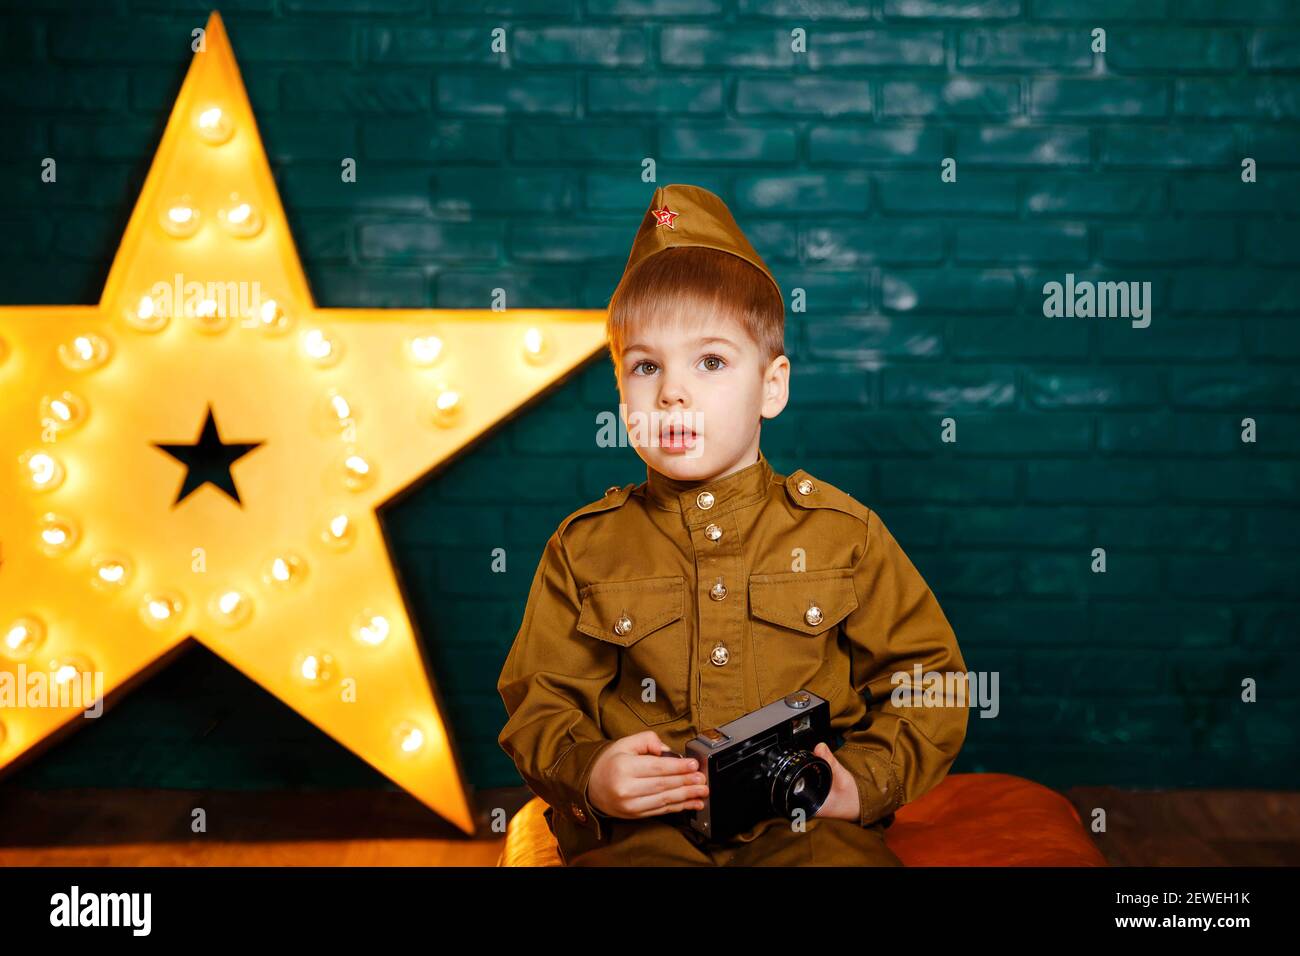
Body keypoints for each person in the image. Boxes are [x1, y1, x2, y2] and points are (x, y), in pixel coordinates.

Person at [496, 184, 969, 866]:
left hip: (802, 823)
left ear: (771, 386)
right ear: (622, 391)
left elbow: (931, 680)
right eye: (645, 366)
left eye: (711, 362)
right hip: (643, 837)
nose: (673, 392)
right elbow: (540, 701)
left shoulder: (843, 534)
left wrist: (858, 784)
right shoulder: (585, 548)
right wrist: (591, 775)